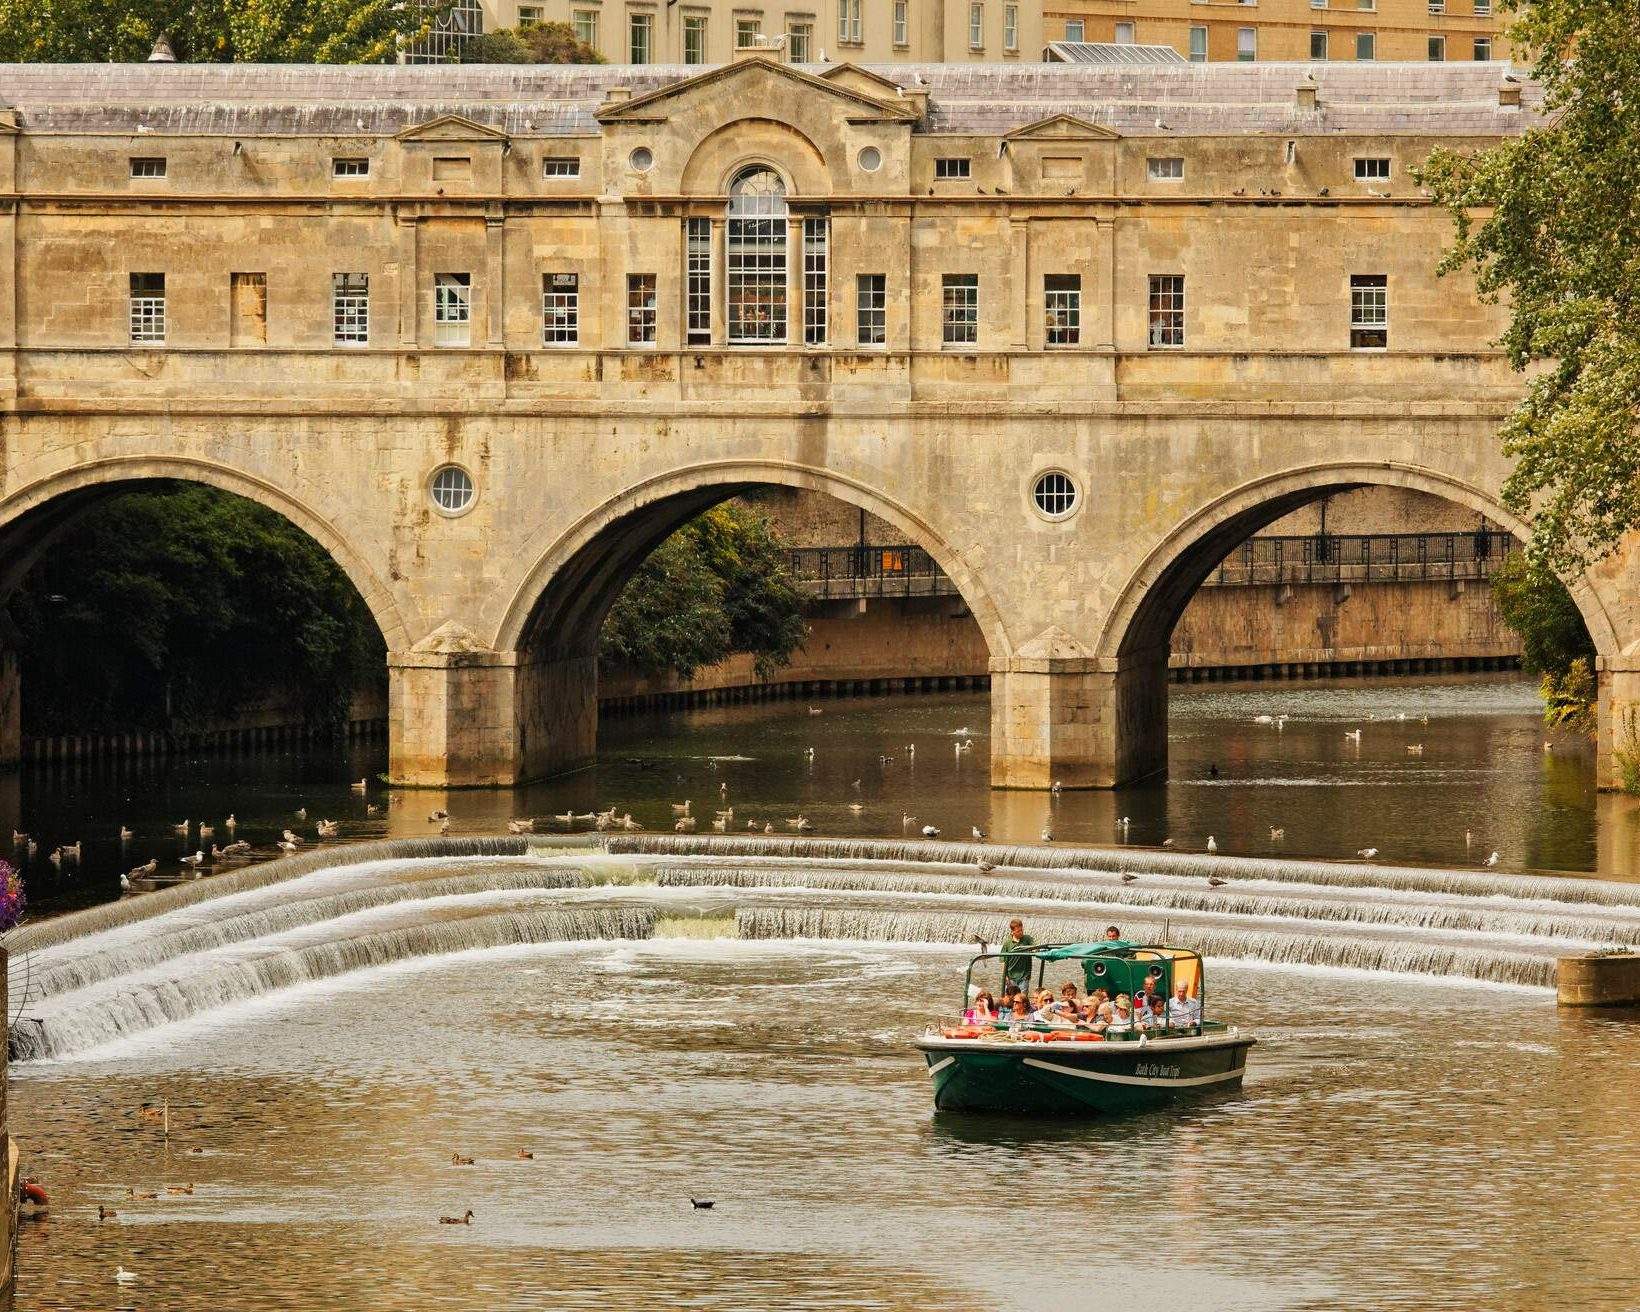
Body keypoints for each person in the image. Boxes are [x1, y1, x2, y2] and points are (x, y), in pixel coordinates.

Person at [1000, 919, 1036, 995]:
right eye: (1018, 931)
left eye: (1022, 930)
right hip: (1011, 977)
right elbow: (1003, 960)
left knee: (1022, 998)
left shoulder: (1027, 939)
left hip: (1024, 976)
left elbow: (1035, 947)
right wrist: (1005, 976)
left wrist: (1035, 950)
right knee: (1010, 998)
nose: (1021, 933)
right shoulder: (1007, 943)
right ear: (1012, 932)